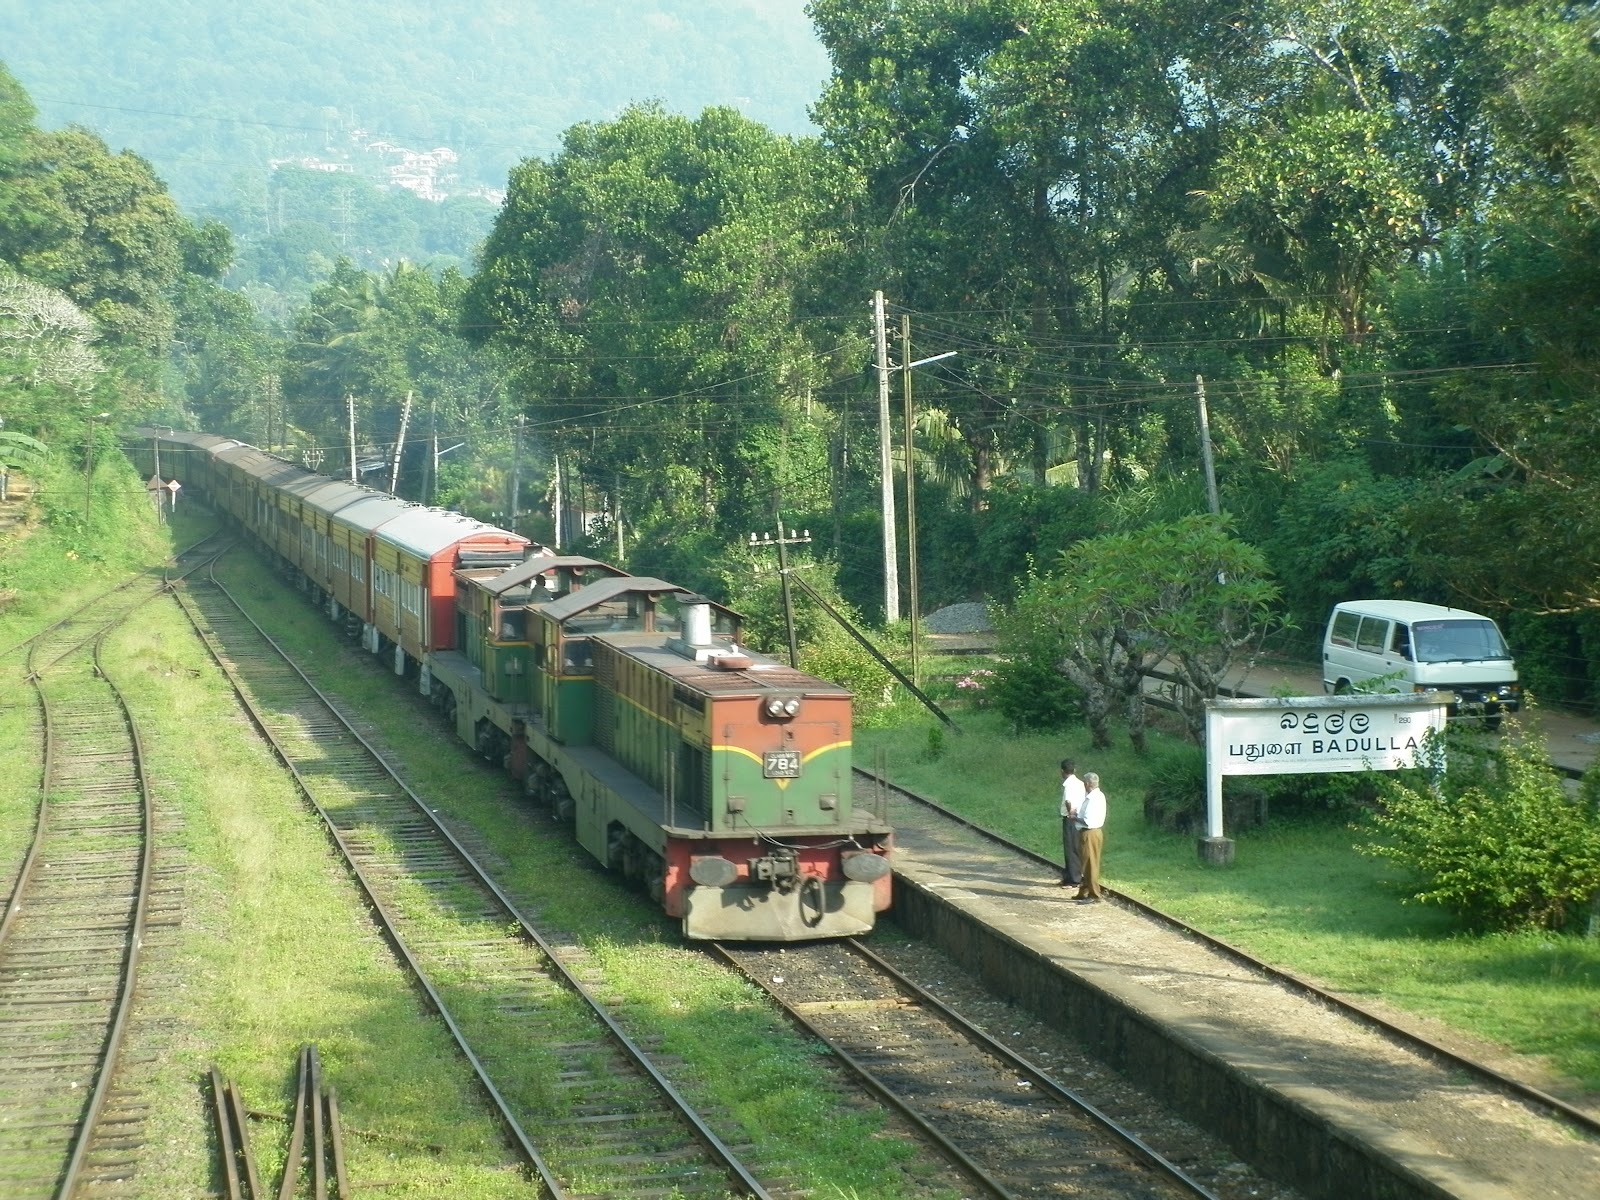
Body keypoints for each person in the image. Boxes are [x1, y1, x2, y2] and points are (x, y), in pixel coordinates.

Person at [1076, 772, 1107, 902]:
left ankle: (1094, 894)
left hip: (1090, 832)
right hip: (1092, 832)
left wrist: (1074, 817)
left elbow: (1088, 820)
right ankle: (1085, 890)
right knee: (1085, 862)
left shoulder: (1093, 799)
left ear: (1088, 784)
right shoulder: (1097, 796)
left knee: (1090, 863)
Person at [1059, 759, 1085, 887]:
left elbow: (1069, 801)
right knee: (1076, 846)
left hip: (1071, 818)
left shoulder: (1069, 785)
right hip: (1080, 816)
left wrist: (1071, 814)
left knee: (1070, 847)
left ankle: (1073, 878)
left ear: (1062, 771)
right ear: (1074, 770)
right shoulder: (1080, 783)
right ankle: (1072, 875)